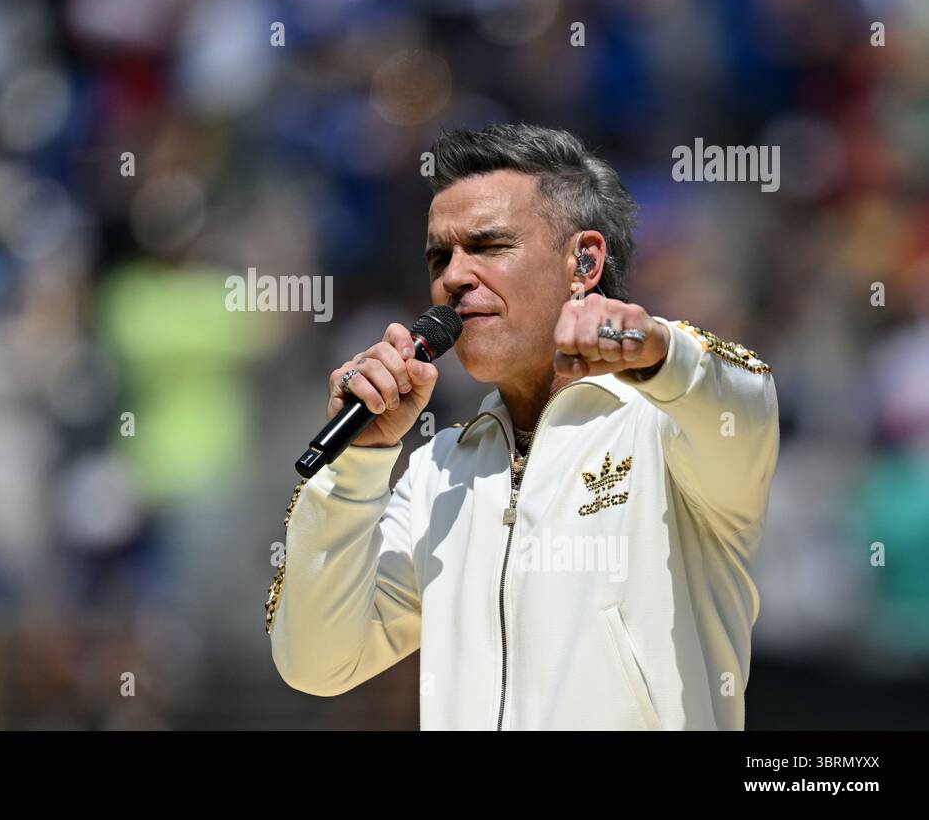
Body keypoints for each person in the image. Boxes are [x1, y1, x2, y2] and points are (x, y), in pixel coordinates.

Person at [265, 123, 779, 730]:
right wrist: (357, 466)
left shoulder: (668, 426)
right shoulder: (438, 470)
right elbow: (317, 663)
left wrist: (656, 347)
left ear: (583, 261)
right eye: (440, 256)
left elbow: (743, 399)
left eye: (488, 246)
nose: (453, 277)